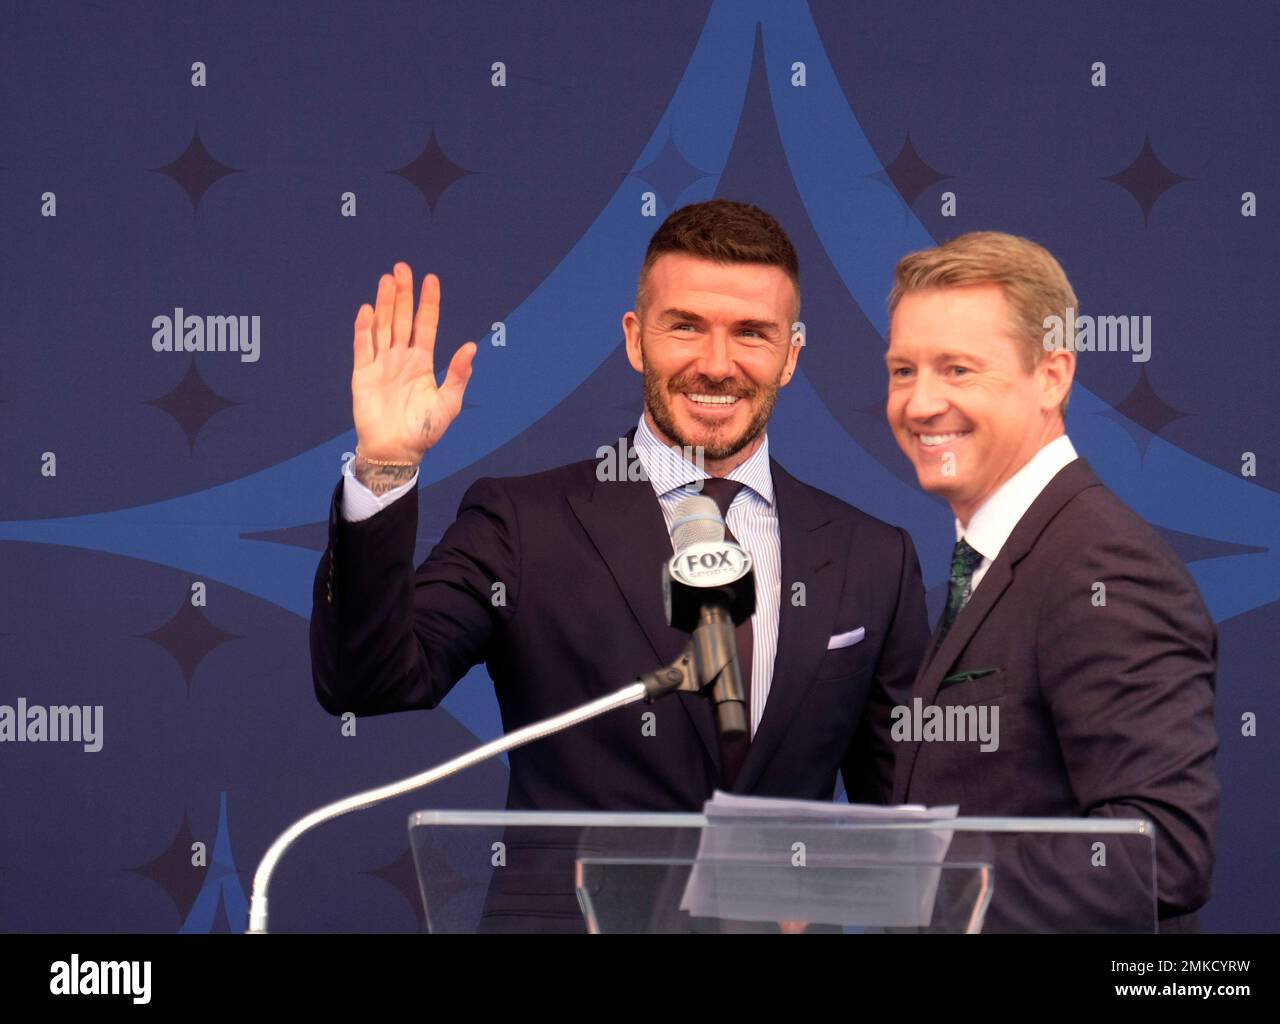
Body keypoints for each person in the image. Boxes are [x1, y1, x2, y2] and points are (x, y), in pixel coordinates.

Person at [309, 200, 931, 930]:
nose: (716, 363)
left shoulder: (871, 556)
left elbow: (904, 827)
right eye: (686, 326)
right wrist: (384, 465)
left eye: (751, 334)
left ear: (791, 355)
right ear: (636, 339)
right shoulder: (523, 523)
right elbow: (370, 680)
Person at [883, 231, 1219, 931]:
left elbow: (1162, 851)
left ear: (1054, 377)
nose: (919, 404)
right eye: (903, 370)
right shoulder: (994, 555)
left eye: (957, 370)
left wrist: (910, 879)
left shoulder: (1101, 567)